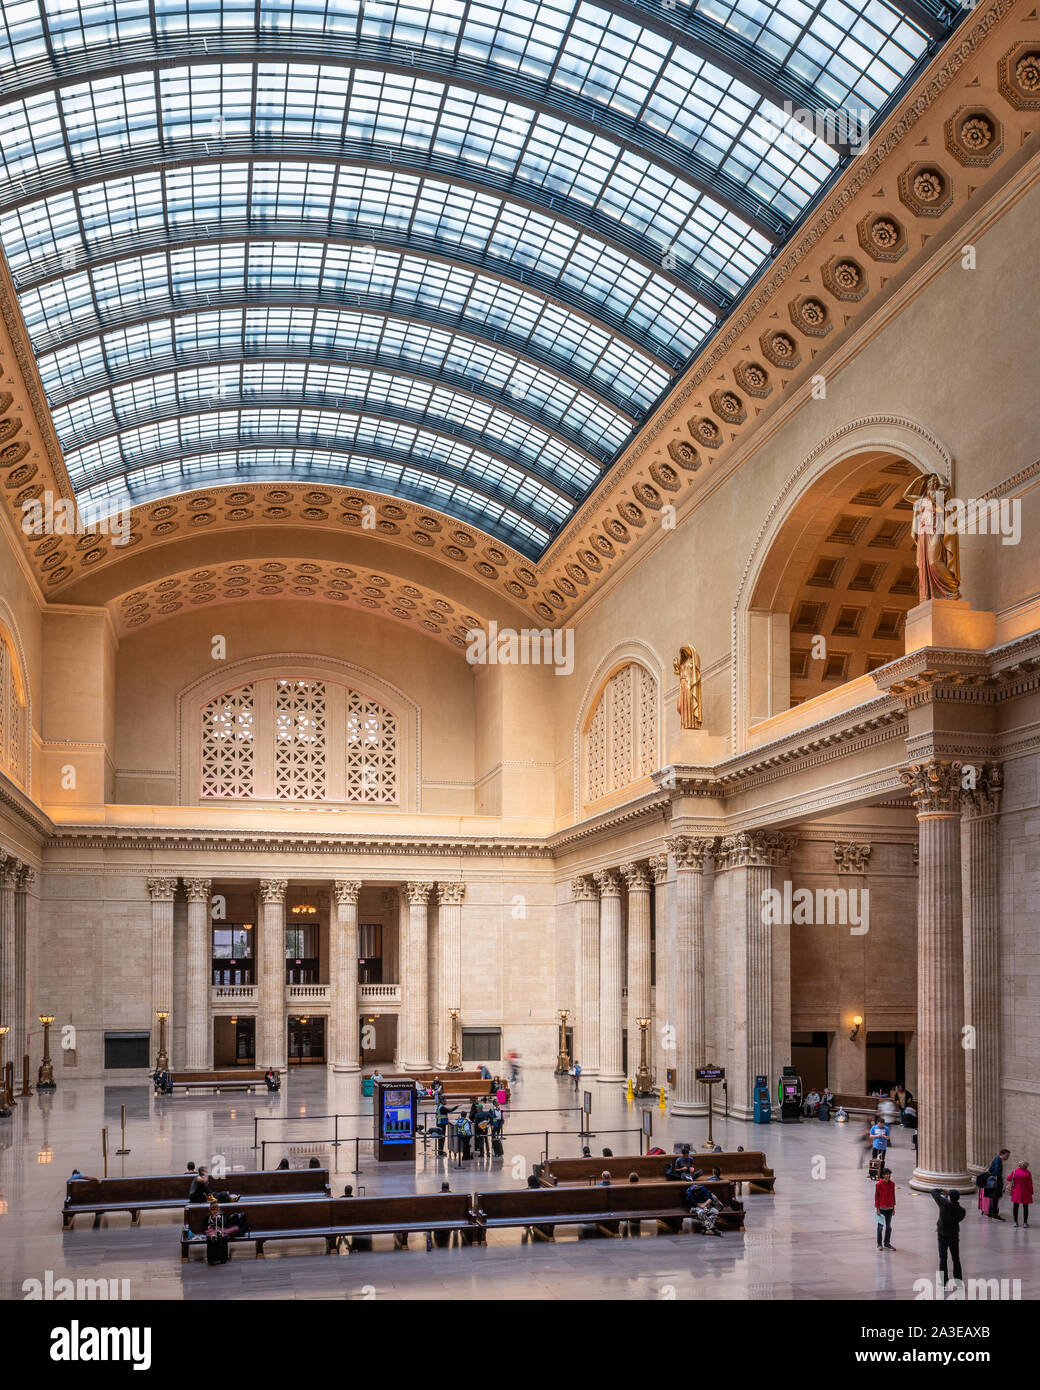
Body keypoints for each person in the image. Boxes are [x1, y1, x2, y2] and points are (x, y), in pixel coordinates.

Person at [931, 1188, 965, 1285]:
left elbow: (933, 1191)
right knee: (956, 1259)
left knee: (943, 1258)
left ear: (949, 1197)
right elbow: (959, 1218)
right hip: (954, 1236)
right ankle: (958, 1281)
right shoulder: (962, 1211)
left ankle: (944, 1281)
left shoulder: (944, 1204)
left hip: (942, 1235)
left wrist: (942, 1190)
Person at [983, 1149, 1010, 1219]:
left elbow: (991, 1169)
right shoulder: (998, 1159)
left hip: (995, 1180)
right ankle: (994, 1213)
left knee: (994, 1197)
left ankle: (991, 1212)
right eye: (1007, 1155)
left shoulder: (996, 1159)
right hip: (996, 1182)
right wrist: (998, 1178)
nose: (1008, 1157)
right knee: (995, 1197)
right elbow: (996, 1170)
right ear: (1002, 1154)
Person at [874, 1168, 896, 1250]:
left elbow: (893, 1196)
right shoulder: (878, 1184)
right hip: (881, 1209)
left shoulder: (892, 1184)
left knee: (889, 1227)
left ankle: (887, 1243)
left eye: (889, 1174)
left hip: (889, 1208)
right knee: (880, 1227)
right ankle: (879, 1244)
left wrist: (893, 1208)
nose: (888, 1175)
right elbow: (876, 1197)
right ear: (883, 1175)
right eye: (887, 1174)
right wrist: (877, 1209)